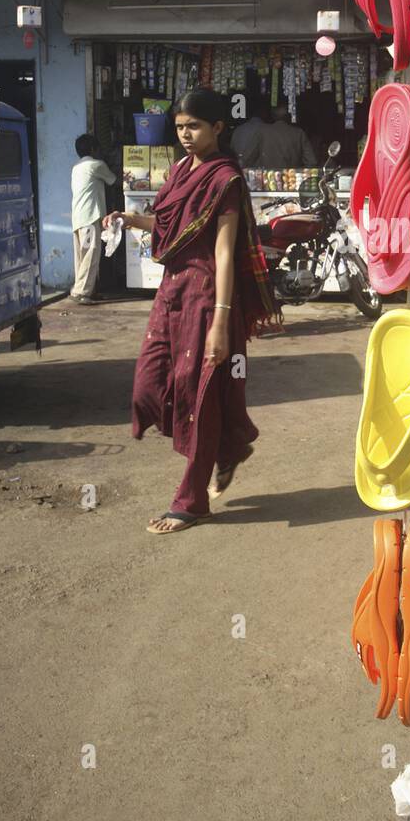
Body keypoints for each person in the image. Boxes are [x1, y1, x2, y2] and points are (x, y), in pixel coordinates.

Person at [103, 89, 278, 534]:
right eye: (180, 126)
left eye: (194, 126)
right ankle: (227, 446)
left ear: (218, 128)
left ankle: (191, 500)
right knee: (148, 386)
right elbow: (168, 226)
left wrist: (221, 320)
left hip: (206, 297)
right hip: (172, 295)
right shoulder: (181, 170)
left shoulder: (225, 180)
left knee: (197, 397)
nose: (185, 134)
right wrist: (128, 219)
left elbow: (222, 253)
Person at [71, 134, 116, 304]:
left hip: (78, 216)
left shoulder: (76, 166)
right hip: (90, 216)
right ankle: (82, 292)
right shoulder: (96, 165)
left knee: (82, 256)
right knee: (91, 254)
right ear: (93, 149)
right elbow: (113, 180)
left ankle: (87, 289)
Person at [238, 103, 318, 170]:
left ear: (272, 116)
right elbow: (311, 163)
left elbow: (246, 160)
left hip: (269, 182)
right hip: (291, 181)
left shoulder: (262, 131)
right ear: (289, 117)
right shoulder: (299, 133)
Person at [230, 94, 269, 169]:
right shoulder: (266, 130)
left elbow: (232, 151)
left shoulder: (238, 129)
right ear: (264, 112)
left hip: (239, 170)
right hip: (258, 172)